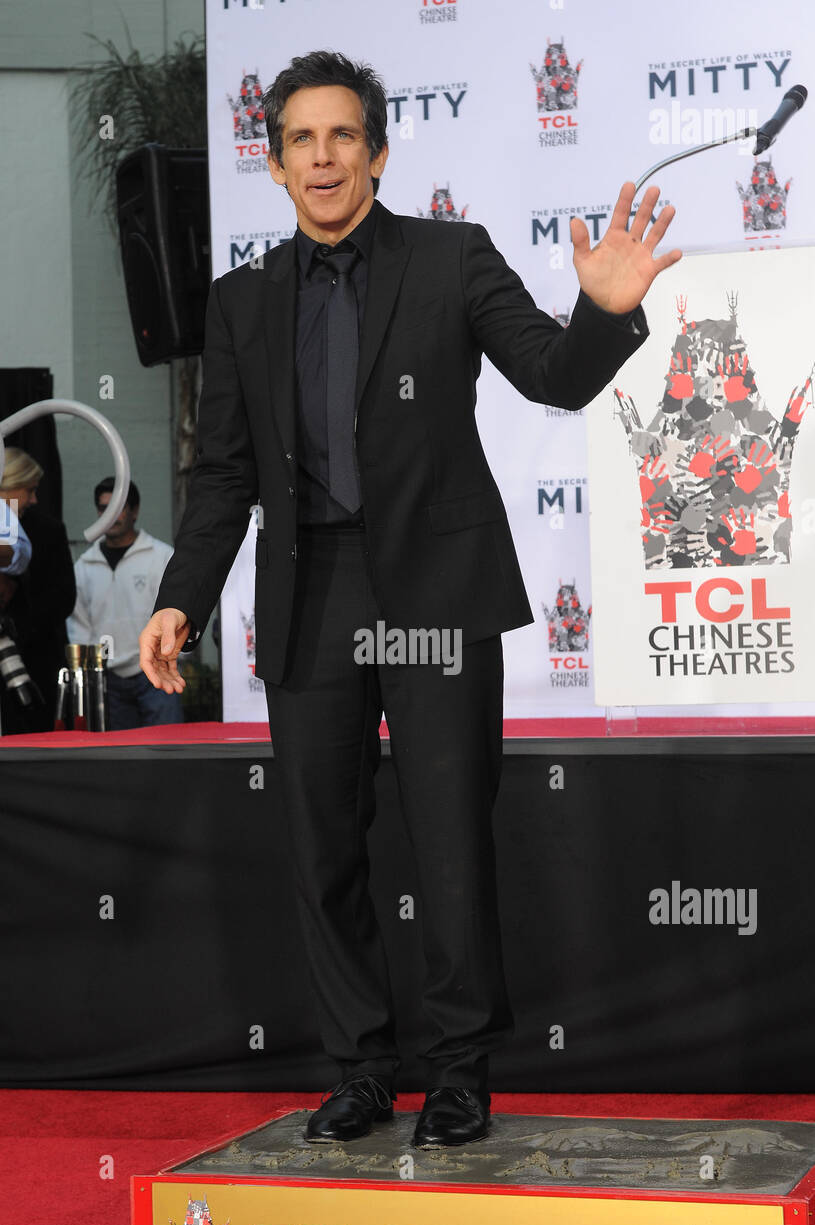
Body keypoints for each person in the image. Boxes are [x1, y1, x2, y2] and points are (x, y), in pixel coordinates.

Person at [140, 51, 681, 1147]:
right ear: (277, 163)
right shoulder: (240, 302)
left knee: (448, 840)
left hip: (435, 588)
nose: (324, 156)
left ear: (377, 154)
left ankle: (460, 1070)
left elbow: (550, 373)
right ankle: (358, 1066)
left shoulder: (449, 258)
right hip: (309, 592)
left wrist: (601, 313)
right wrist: (179, 600)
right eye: (302, 139)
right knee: (322, 842)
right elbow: (225, 477)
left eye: (343, 137)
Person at [69, 478, 182, 730]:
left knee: (167, 756)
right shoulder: (84, 566)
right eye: (103, 509)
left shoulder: (161, 556)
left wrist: (174, 656)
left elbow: (180, 611)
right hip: (107, 682)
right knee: (119, 764)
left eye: (117, 507)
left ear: (135, 510)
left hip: (156, 675)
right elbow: (79, 625)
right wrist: (91, 676)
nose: (109, 516)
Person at [0, 448, 75, 735]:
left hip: (35, 664)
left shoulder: (47, 530)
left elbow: (63, 597)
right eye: (29, 490)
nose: (34, 499)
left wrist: (18, 626)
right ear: (7, 484)